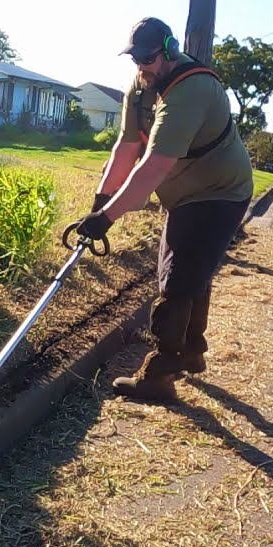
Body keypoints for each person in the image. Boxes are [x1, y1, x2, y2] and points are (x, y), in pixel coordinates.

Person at [74, 17, 254, 403]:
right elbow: (125, 148)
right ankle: (191, 352)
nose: (142, 67)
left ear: (170, 51)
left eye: (149, 58)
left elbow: (153, 165)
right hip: (185, 195)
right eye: (136, 59)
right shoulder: (141, 89)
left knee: (176, 278)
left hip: (221, 192)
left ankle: (160, 374)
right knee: (191, 269)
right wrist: (100, 202)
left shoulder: (192, 90)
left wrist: (107, 220)